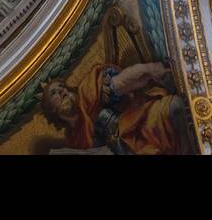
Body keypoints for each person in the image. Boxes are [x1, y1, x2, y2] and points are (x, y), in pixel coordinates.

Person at [38, 60, 191, 154]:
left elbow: (123, 82)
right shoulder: (74, 143)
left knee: (175, 106)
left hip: (139, 127)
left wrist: (150, 69)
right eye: (54, 93)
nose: (61, 91)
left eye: (61, 87)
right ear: (52, 109)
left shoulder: (88, 92)